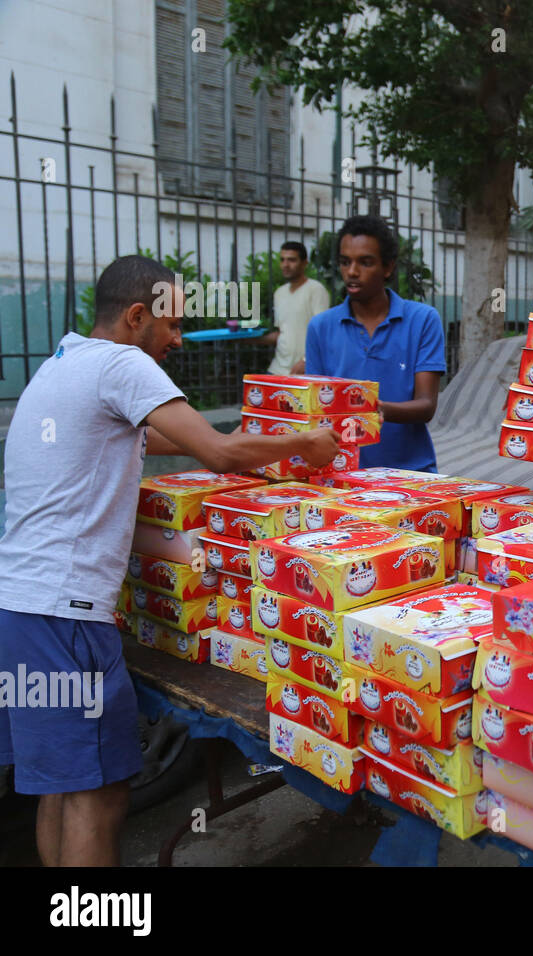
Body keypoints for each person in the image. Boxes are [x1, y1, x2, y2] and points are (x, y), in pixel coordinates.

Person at [0, 255, 339, 866]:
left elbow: (148, 437)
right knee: (99, 798)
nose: (178, 341)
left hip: (21, 609)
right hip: (68, 615)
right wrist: (304, 444)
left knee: (60, 786)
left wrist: (262, 439)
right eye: (173, 325)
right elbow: (218, 454)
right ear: (136, 317)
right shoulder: (121, 363)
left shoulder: (65, 362)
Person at [304, 215, 446, 471]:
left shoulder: (423, 320)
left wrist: (374, 408)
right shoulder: (320, 327)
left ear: (388, 267)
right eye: (345, 262)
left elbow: (426, 405)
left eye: (365, 262)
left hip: (412, 475)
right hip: (341, 476)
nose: (352, 272)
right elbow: (316, 411)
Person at [260, 241, 331, 375]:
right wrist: (244, 338)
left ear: (305, 263)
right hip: (276, 369)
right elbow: (282, 333)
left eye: (291, 260)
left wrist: (306, 360)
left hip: (303, 371)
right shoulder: (279, 293)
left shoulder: (316, 290)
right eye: (282, 260)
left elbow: (324, 332)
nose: (285, 265)